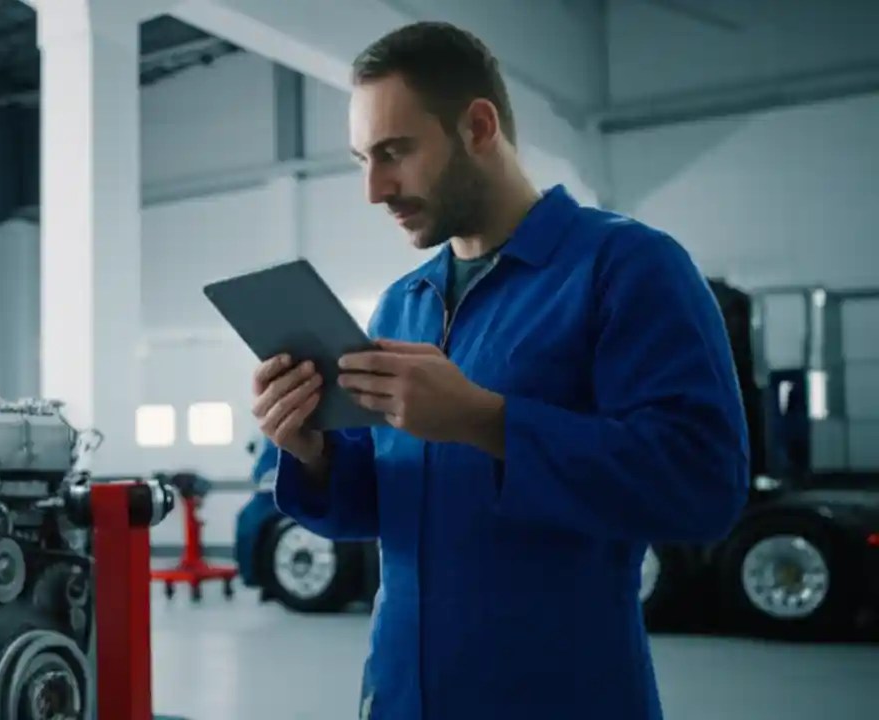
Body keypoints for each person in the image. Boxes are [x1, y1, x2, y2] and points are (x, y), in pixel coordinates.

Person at [249, 21, 749, 720]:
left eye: (394, 152)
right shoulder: (401, 303)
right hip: (401, 696)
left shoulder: (626, 267)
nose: (373, 189)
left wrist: (486, 421)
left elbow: (705, 485)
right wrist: (311, 450)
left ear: (478, 127)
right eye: (363, 158)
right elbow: (378, 505)